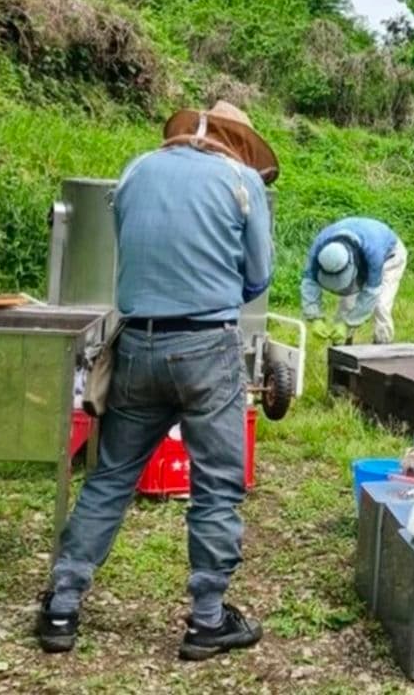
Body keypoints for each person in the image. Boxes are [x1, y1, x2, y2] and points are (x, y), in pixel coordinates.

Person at [37, 101, 276, 660]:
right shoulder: (243, 182)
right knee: (217, 485)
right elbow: (258, 275)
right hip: (206, 348)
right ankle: (207, 622)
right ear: (236, 142)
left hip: (138, 343)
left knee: (111, 476)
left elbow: (130, 248)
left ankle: (62, 606)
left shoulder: (138, 169)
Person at [301, 217, 407, 345]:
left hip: (389, 257)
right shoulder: (319, 247)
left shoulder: (374, 253)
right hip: (362, 246)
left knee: (380, 304)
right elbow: (309, 281)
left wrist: (348, 323)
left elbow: (372, 292)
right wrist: (314, 316)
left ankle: (382, 346)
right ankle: (341, 349)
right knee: (347, 303)